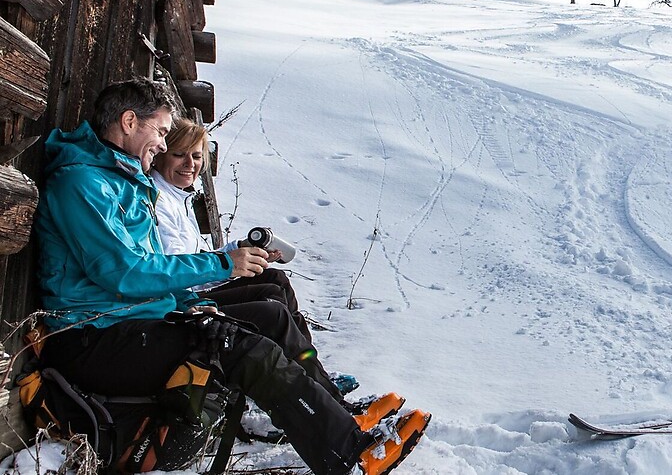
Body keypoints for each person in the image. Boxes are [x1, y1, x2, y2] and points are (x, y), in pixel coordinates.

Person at [35, 77, 428, 475]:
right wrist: (223, 265)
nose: (163, 144)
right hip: (90, 337)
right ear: (129, 121)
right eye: (162, 132)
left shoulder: (121, 181)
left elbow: (146, 266)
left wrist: (193, 304)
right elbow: (123, 272)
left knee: (250, 326)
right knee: (243, 348)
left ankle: (340, 425)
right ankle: (351, 454)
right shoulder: (82, 183)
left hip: (132, 321)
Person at [150, 117, 353, 407]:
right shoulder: (158, 201)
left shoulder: (177, 196)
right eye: (179, 154)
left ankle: (311, 374)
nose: (189, 164)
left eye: (196, 156)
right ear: (160, 155)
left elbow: (197, 257)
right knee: (273, 310)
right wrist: (230, 263)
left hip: (191, 291)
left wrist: (242, 250)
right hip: (181, 304)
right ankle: (322, 396)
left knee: (275, 281)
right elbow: (179, 270)